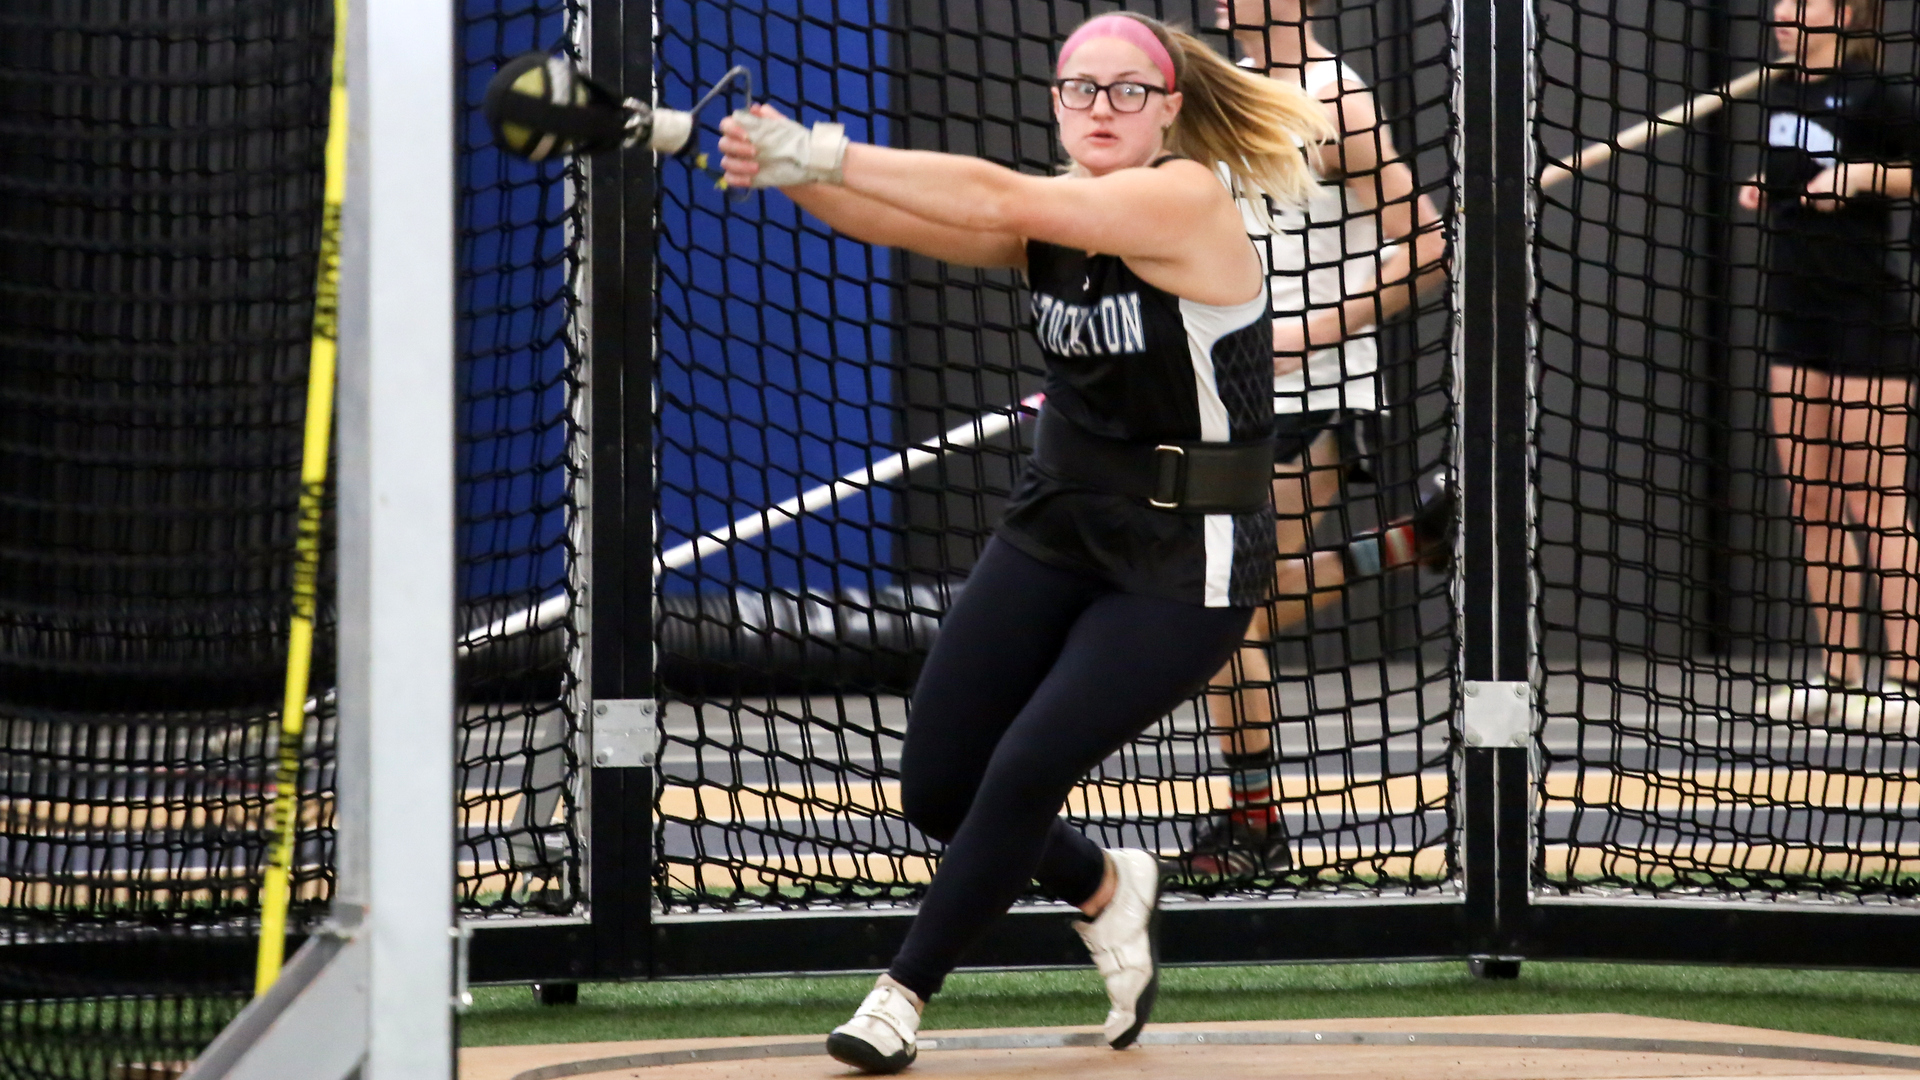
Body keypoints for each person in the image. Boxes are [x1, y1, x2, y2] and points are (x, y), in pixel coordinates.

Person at [720, 11, 1331, 1074]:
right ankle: (1105, 885)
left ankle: (900, 994)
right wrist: (786, 171)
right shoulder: (1059, 218)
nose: (1101, 109)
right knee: (937, 787)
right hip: (1058, 526)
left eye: (1127, 91)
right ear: (1054, 99)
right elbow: (903, 224)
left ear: (1171, 108)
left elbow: (996, 196)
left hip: (1184, 561)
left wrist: (820, 147)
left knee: (1025, 767)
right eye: (1079, 89)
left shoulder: (1181, 197)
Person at [1166, 0, 1452, 879]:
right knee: (1207, 601)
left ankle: (1254, 825)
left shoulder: (1336, 98)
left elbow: (1429, 246)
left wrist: (1308, 333)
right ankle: (1404, 547)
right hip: (1226, 391)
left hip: (1313, 394)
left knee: (1214, 612)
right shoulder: (1223, 93)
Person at [1738, 0, 1920, 733]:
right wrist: (1765, 183)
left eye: (1801, 1)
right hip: (1795, 313)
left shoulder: (1876, 94)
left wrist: (1867, 178)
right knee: (1810, 495)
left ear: (1846, 13)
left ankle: (1909, 679)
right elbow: (1800, 162)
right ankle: (1840, 672)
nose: (1783, 12)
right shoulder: (1783, 90)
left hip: (1865, 317)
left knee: (1874, 499)